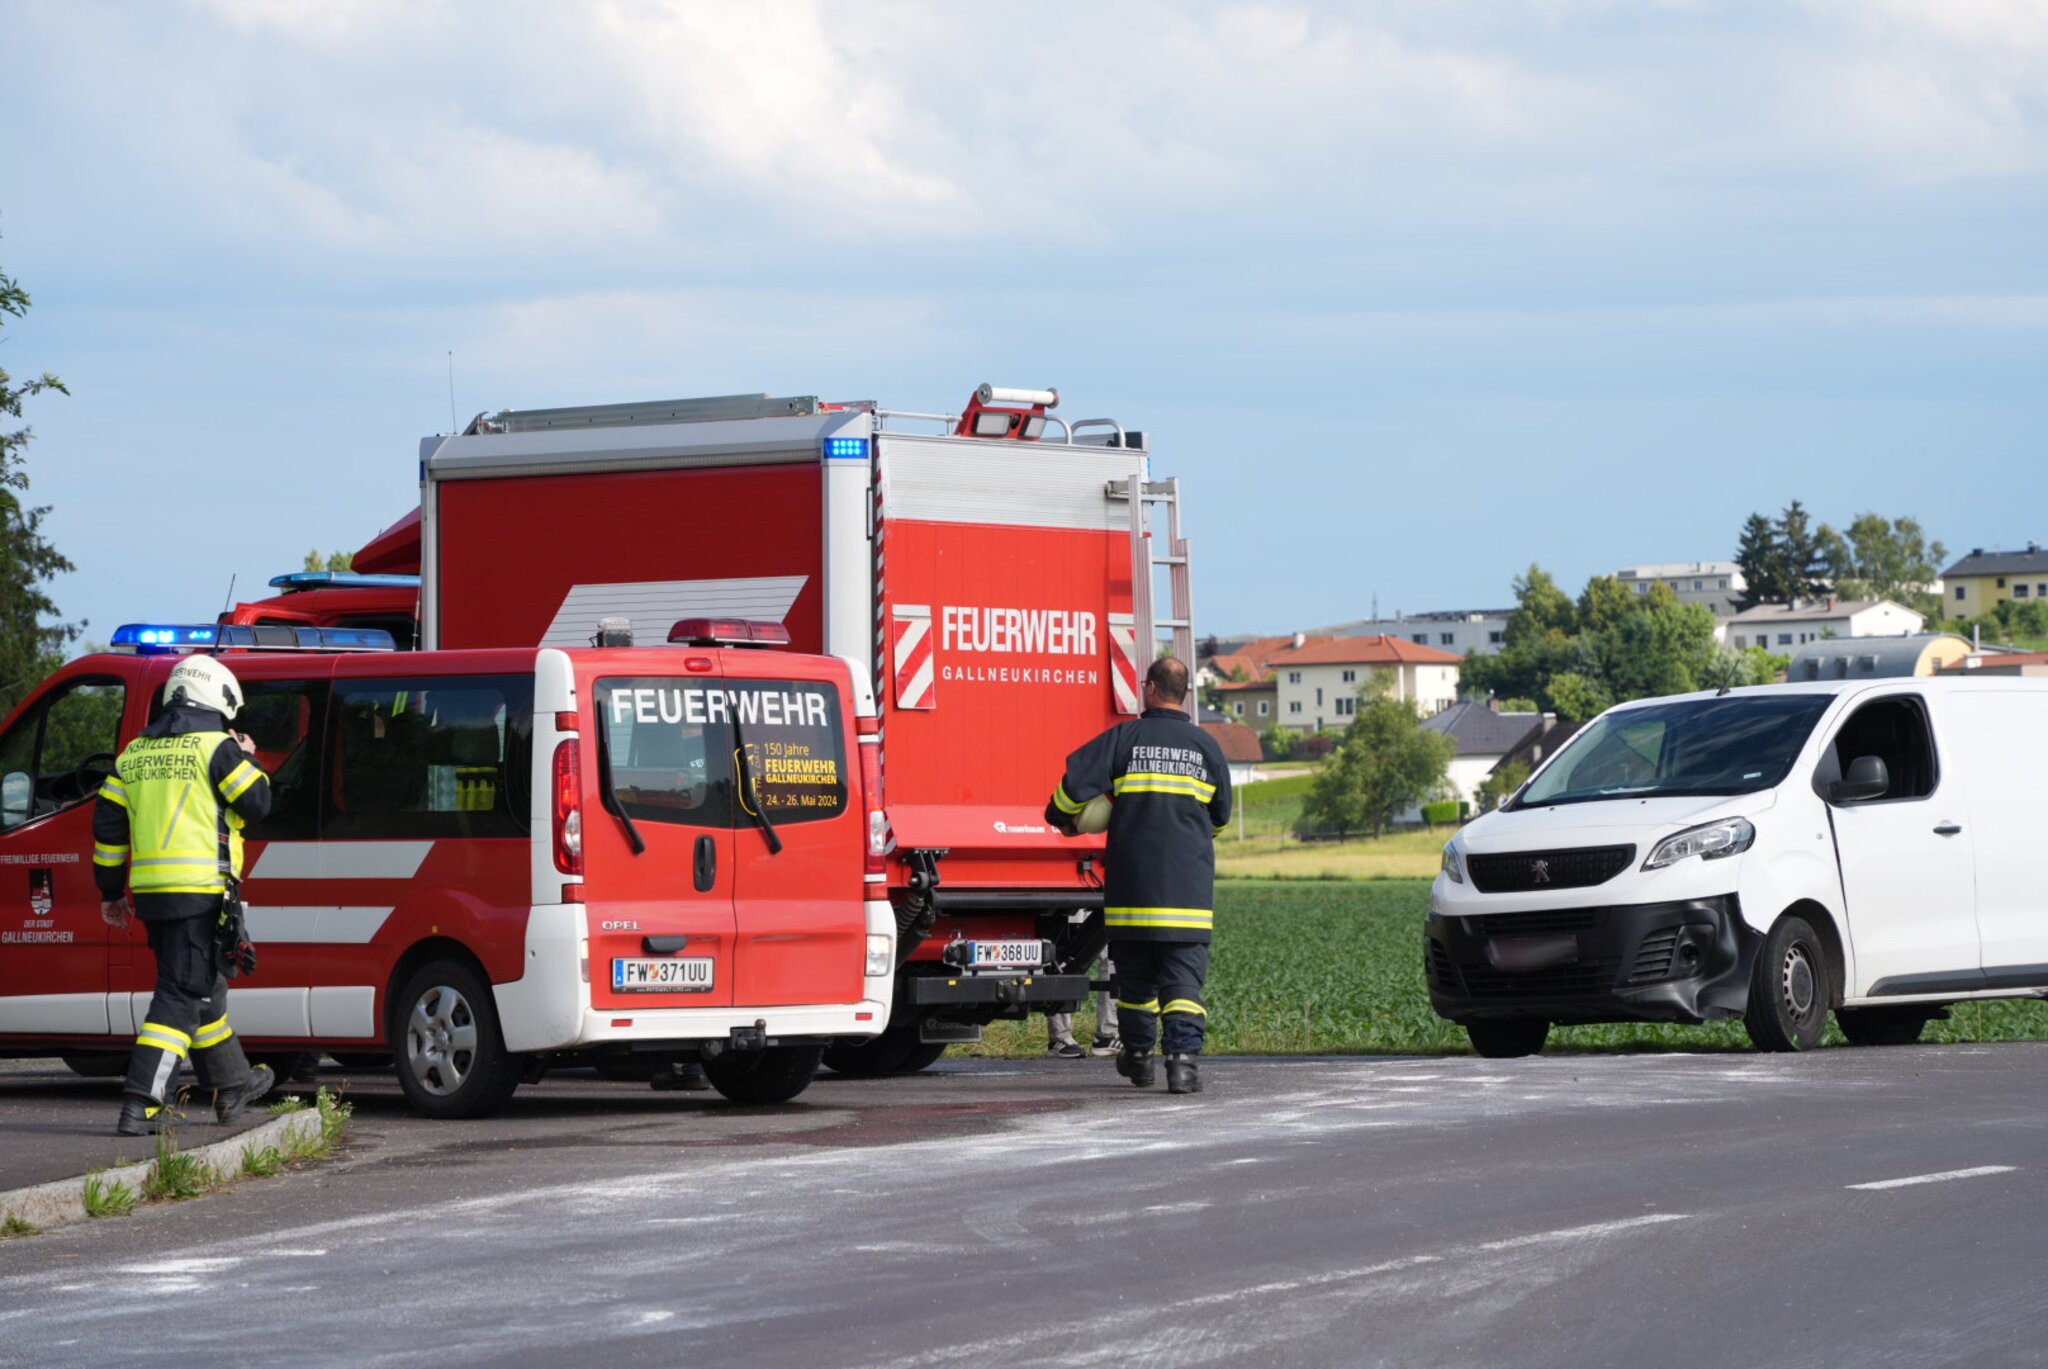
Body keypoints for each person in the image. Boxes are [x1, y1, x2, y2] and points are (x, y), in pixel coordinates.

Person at [94, 655, 277, 1135]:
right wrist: (250, 757)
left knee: (203, 992)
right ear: (217, 697)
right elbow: (257, 803)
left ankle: (234, 1083)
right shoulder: (218, 748)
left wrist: (111, 893)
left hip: (153, 897)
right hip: (202, 895)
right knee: (178, 997)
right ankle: (142, 1100)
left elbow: (109, 831)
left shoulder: (131, 755)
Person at [1044, 657, 1231, 1095]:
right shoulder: (1207, 747)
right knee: (1182, 982)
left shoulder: (1124, 738)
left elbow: (1071, 789)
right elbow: (1219, 819)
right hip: (1187, 894)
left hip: (1131, 893)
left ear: (1149, 689)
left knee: (1135, 985)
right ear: (1184, 692)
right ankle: (1183, 1064)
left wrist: (1064, 818)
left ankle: (1141, 1058)